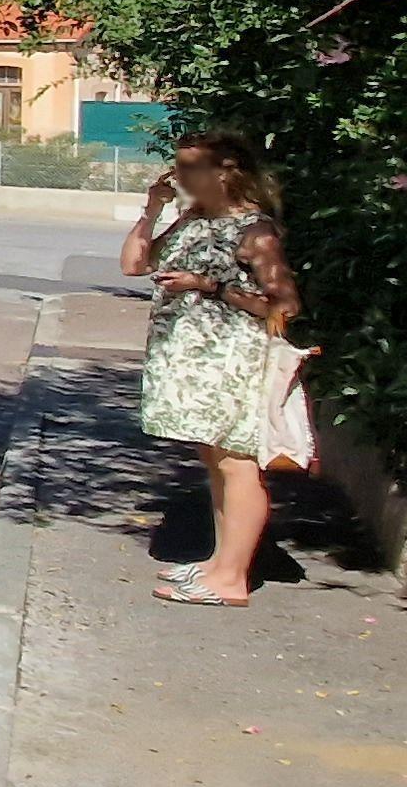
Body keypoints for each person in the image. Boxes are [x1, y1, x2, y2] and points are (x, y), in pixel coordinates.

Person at [122, 131, 302, 606]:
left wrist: (208, 285)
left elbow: (284, 305)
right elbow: (133, 265)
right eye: (176, 167)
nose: (178, 176)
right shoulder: (193, 220)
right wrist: (152, 210)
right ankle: (219, 563)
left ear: (225, 172)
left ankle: (232, 576)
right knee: (216, 462)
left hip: (230, 360)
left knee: (237, 464)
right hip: (192, 364)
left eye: (188, 168)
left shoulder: (255, 230)